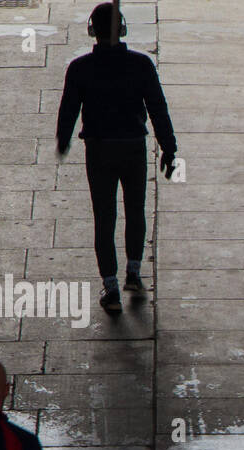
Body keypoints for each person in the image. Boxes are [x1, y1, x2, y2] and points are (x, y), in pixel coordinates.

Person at [55, 2, 177, 315]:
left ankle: (110, 288)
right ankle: (134, 272)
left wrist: (63, 141)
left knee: (104, 217)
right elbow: (157, 109)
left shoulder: (80, 68)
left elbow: (68, 110)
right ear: (122, 29)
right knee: (136, 210)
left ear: (92, 30)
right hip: (133, 146)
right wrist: (169, 147)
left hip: (99, 150)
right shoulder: (142, 65)